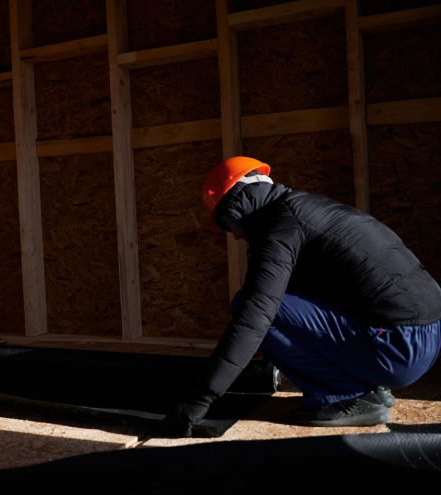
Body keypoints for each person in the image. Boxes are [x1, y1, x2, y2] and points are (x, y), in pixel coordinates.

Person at [164, 156, 441, 434]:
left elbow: (253, 317)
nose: (234, 236)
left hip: (398, 347)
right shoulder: (307, 209)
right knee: (295, 294)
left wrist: (199, 399)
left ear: (234, 207)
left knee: (253, 308)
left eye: (225, 224)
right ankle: (372, 386)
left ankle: (347, 396)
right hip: (425, 337)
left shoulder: (280, 227)